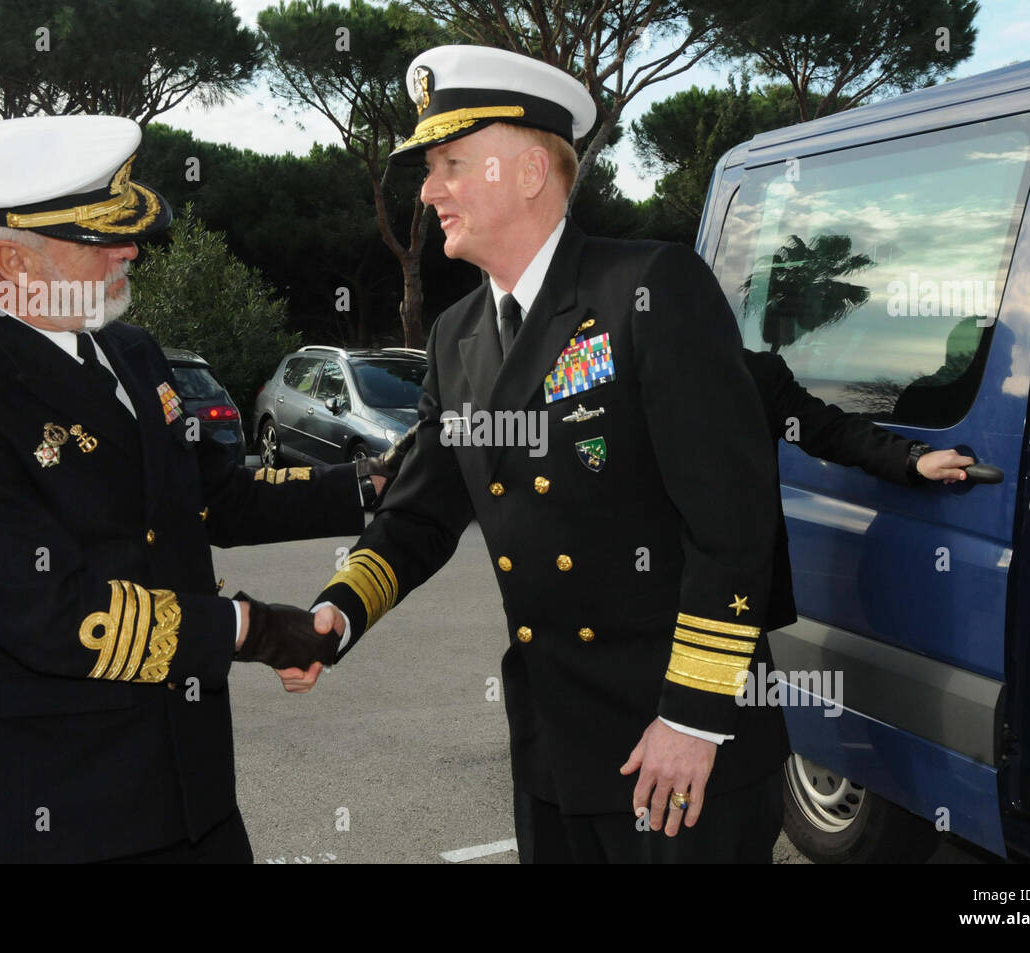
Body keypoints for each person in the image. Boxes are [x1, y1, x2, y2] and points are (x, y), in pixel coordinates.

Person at [293, 46, 787, 863]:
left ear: (528, 173)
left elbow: (733, 523)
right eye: (429, 169)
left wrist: (694, 716)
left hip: (679, 751)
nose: (426, 191)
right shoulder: (455, 339)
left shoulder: (650, 289)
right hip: (553, 748)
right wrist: (338, 611)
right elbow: (418, 510)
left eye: (450, 163)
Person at [0, 115, 390, 863]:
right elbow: (58, 613)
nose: (130, 250)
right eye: (98, 239)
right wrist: (251, 629)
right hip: (53, 807)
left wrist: (368, 485)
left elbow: (215, 494)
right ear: (16, 260)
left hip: (191, 787)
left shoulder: (132, 349)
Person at [742, 349, 976, 634]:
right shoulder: (675, 376)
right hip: (675, 586)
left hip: (732, 600)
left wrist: (913, 458)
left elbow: (829, 430)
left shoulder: (754, 371)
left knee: (744, 677)